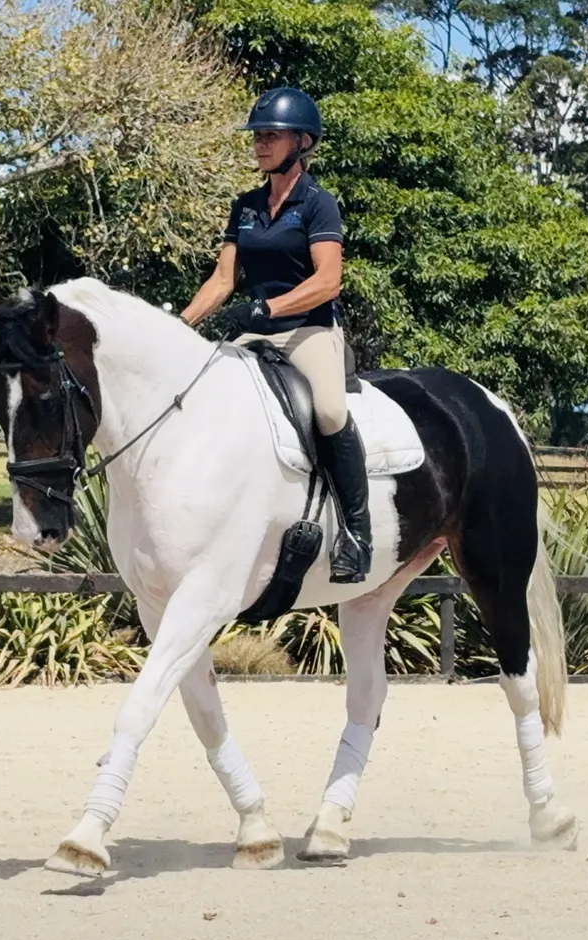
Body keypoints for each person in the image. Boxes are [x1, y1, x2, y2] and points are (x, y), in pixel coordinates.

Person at [179, 86, 371, 584]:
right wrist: (180, 326)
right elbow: (223, 280)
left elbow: (328, 280)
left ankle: (356, 531)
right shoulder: (244, 206)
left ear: (302, 142)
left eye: (270, 135)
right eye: (258, 135)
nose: (259, 143)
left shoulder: (318, 205)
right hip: (255, 335)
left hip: (308, 332)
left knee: (329, 410)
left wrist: (267, 306)